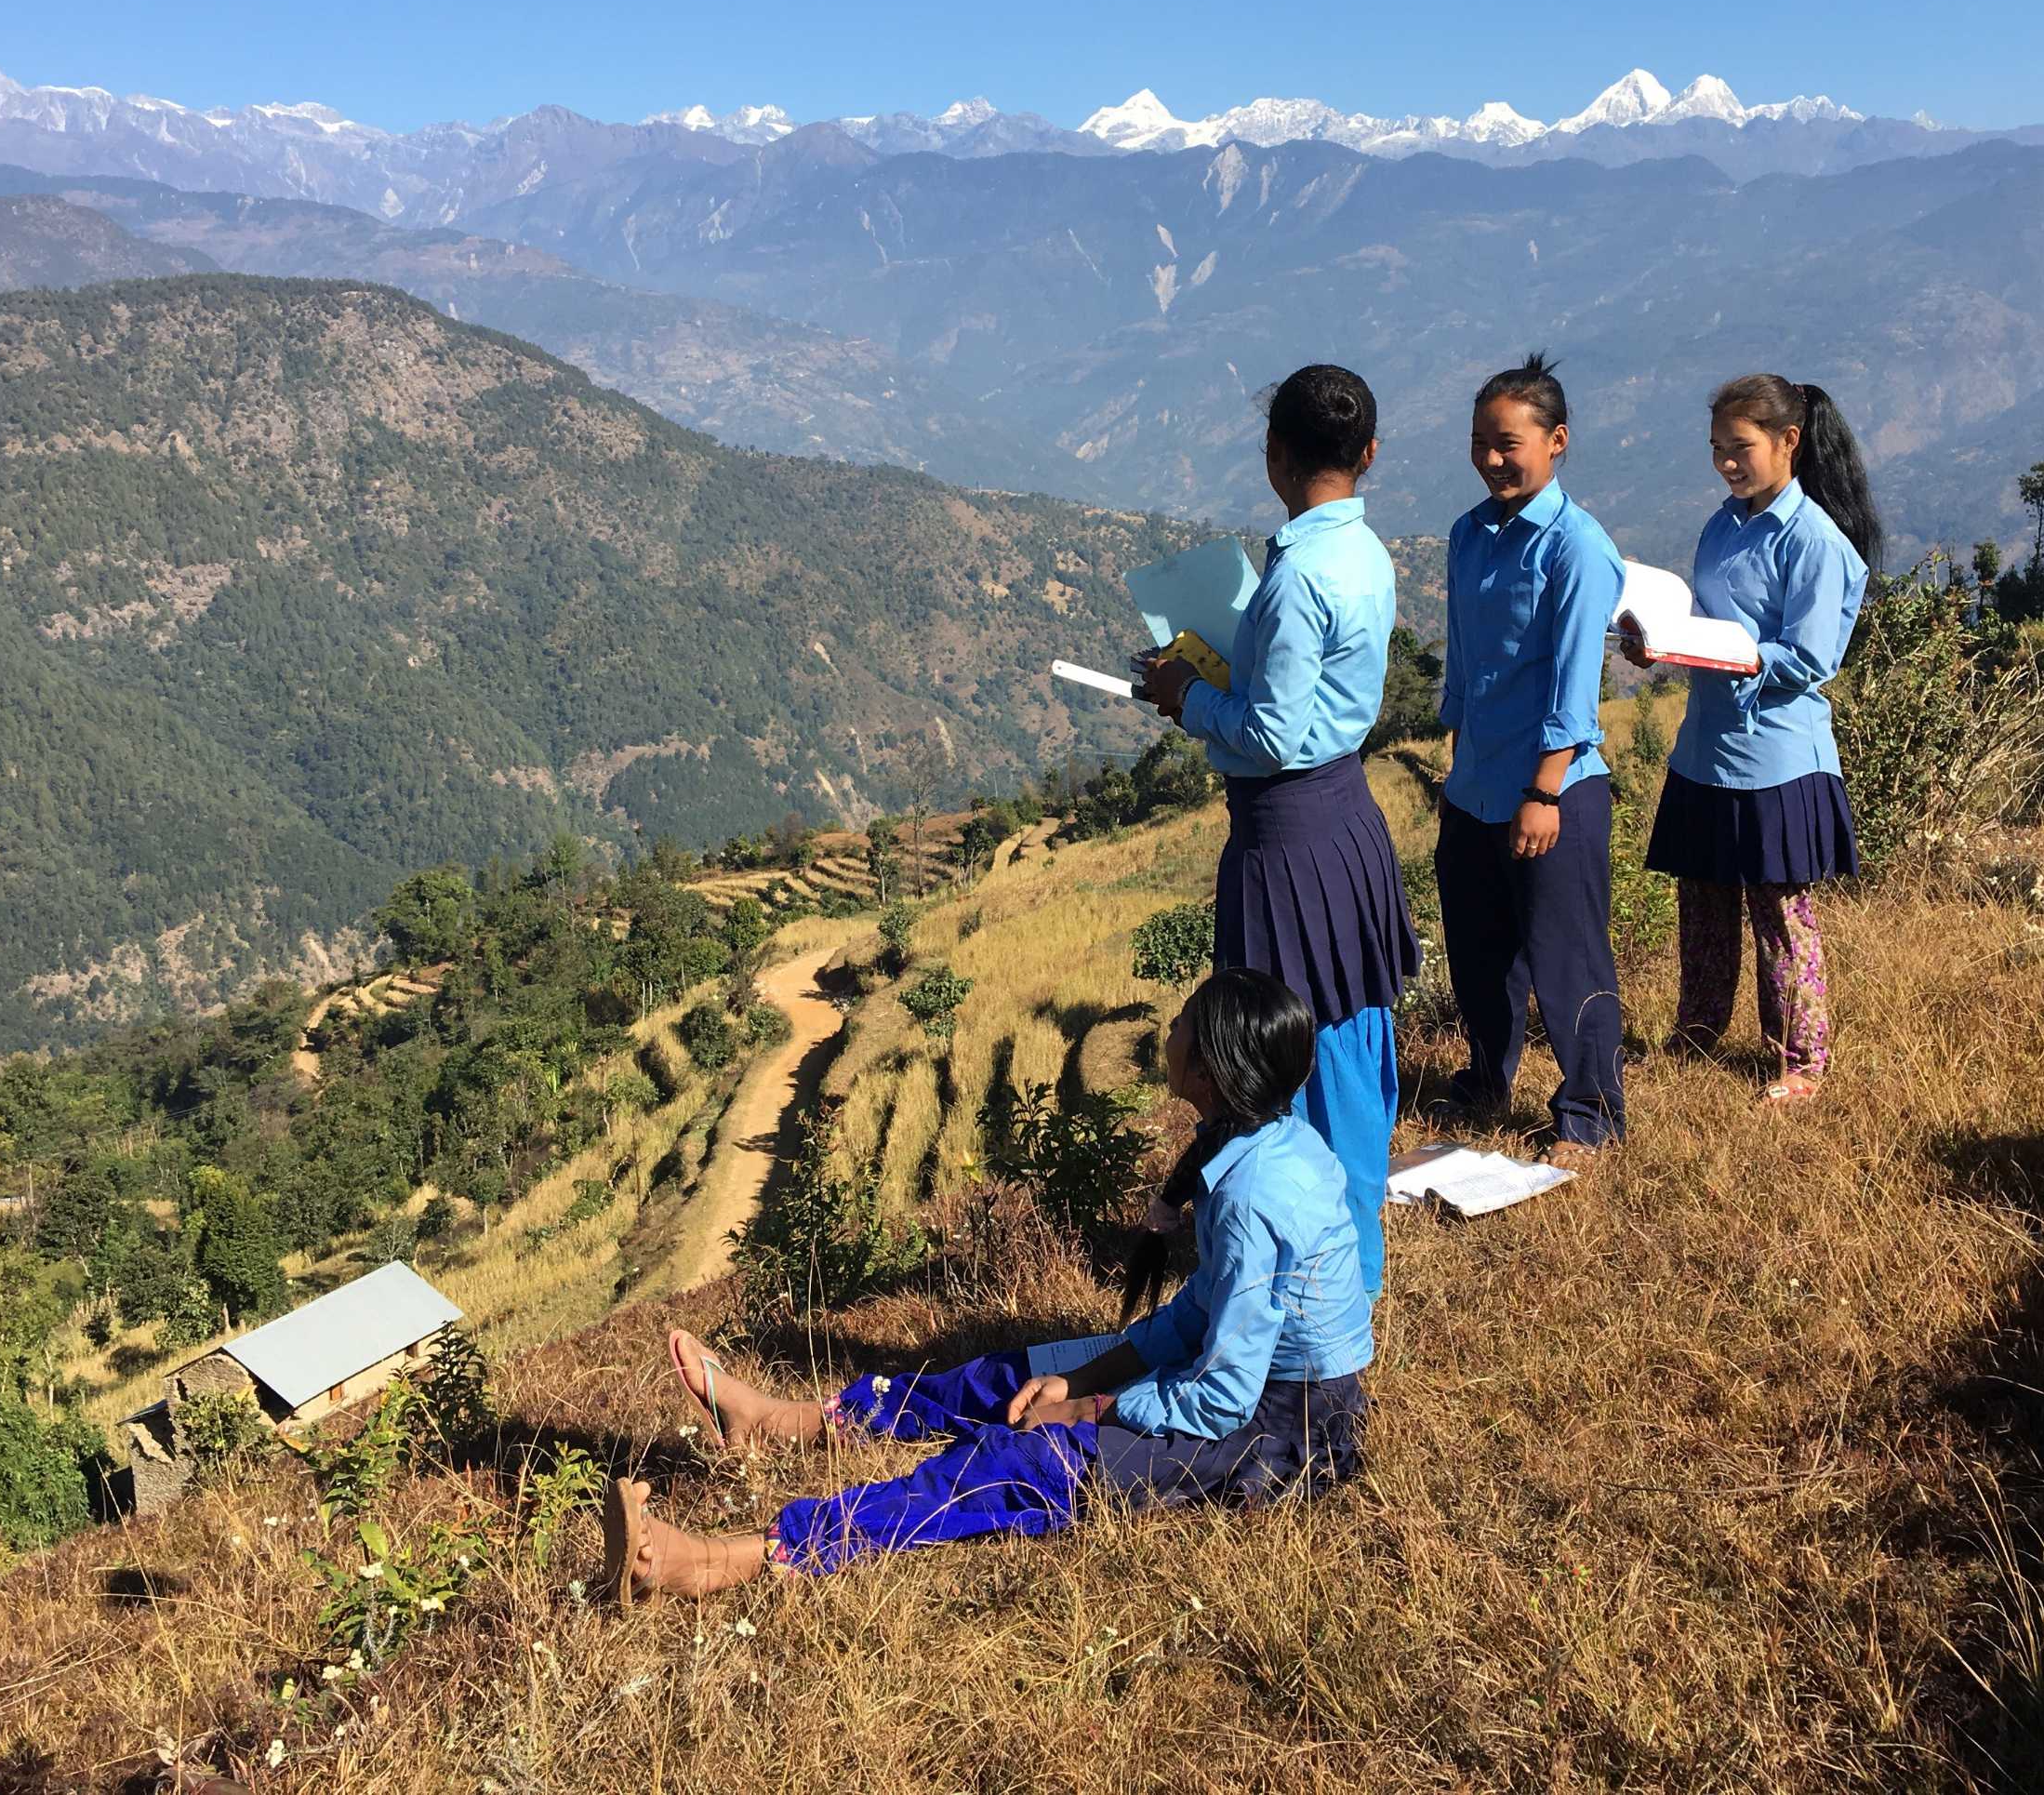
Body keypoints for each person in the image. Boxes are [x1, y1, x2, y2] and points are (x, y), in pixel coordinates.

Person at [601, 968, 1372, 1597]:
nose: (1167, 1032)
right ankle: (790, 1421)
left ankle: (727, 1560)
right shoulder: (1258, 1140)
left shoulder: (1250, 1198)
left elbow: (1223, 1397)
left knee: (1016, 1466)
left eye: (1182, 1025)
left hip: (1286, 1428)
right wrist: (1076, 1381)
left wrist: (1090, 1409)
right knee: (1012, 1378)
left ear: (1208, 1067)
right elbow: (1194, 1320)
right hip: (1252, 1384)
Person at [1135, 365, 1417, 1296]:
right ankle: (1346, 1266)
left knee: (1290, 1052)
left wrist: (1187, 696)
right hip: (1343, 822)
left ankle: (1320, 1282)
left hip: (1287, 840)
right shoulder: (1367, 555)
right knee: (1347, 1040)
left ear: (1276, 456)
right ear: (1367, 454)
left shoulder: (1299, 576)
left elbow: (1271, 731)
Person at [1638, 373, 1880, 1106]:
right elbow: (1704, 620)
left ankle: (1801, 1059)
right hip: (1707, 747)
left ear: (1789, 442)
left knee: (1781, 916)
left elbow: (1810, 658)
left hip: (1776, 754)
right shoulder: (1723, 524)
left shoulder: (1816, 542)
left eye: (1739, 449)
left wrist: (1735, 652)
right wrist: (1657, 641)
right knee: (1702, 902)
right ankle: (1697, 1032)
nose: (1726, 464)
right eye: (1716, 450)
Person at [1432, 353, 1630, 1155]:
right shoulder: (1470, 535)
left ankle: (1592, 1112)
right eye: (1479, 440)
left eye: (1507, 442)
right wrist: (1456, 765)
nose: (1491, 458)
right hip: (1476, 784)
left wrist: (1543, 793)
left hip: (1552, 791)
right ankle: (1488, 1077)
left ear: (1557, 441)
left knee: (1566, 958)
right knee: (1479, 953)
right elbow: (1463, 660)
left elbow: (1576, 683)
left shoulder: (1578, 549)